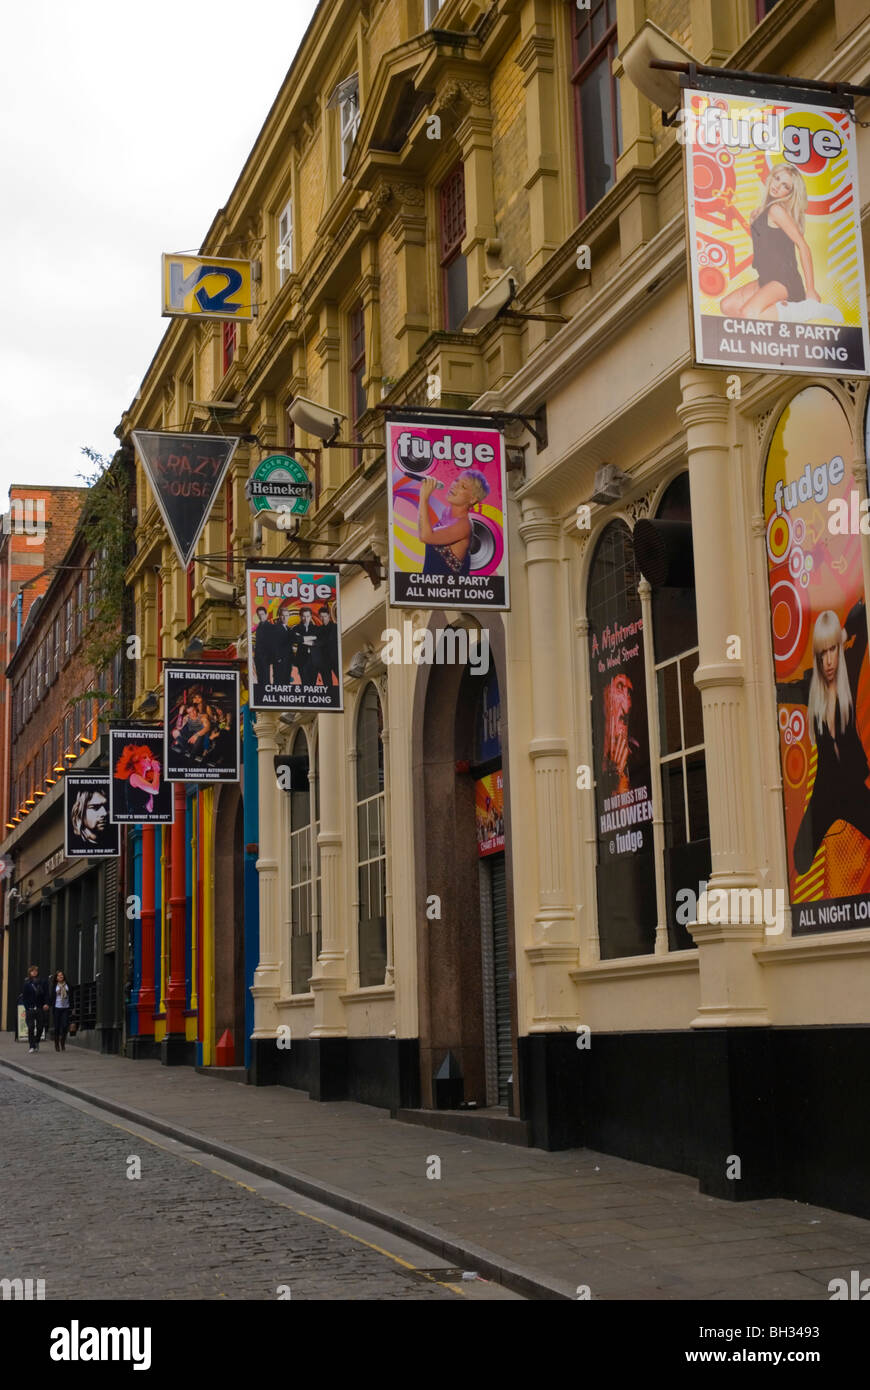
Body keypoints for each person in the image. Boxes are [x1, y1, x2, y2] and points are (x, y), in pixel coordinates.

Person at [777, 600, 870, 876]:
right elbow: (777, 692)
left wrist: (838, 638)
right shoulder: (811, 688)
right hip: (826, 788)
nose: (829, 661)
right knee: (801, 860)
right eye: (822, 653)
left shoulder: (849, 669)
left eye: (833, 651)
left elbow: (862, 614)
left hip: (853, 784)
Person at [719, 164, 842, 324]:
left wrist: (810, 289)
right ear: (771, 178)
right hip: (766, 277)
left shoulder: (776, 210)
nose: (778, 186)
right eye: (777, 179)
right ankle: (781, 311)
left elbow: (803, 247)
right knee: (727, 306)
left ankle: (807, 309)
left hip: (785, 280)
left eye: (785, 186)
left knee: (748, 313)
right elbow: (766, 249)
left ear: (790, 193)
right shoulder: (758, 213)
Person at [417, 470, 490, 580]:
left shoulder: (464, 525)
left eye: (463, 486)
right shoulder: (446, 514)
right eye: (456, 480)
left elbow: (426, 536)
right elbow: (423, 532)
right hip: (428, 590)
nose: (455, 485)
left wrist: (424, 497)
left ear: (472, 499)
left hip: (445, 593)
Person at [601, 672, 639, 798]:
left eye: (628, 693)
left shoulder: (635, 752)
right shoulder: (592, 754)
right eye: (619, 688)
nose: (626, 707)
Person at [114, 743, 161, 816]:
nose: (149, 760)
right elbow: (155, 789)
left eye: (148, 757)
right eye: (145, 757)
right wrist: (156, 770)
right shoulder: (134, 777)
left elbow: (150, 808)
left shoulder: (142, 779)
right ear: (136, 761)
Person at [308, 605, 339, 687]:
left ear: (329, 615)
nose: (323, 618)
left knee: (341, 680)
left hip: (335, 659)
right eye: (321, 617)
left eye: (325, 616)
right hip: (325, 661)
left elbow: (326, 641)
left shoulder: (336, 627)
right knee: (328, 685)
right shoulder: (319, 629)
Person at [22, 966, 49, 1053]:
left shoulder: (43, 982)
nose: (34, 972)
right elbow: (24, 997)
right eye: (32, 971)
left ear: (37, 972)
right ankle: (31, 1046)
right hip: (30, 1009)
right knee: (31, 1027)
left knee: (40, 1027)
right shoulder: (27, 983)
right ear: (29, 973)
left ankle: (37, 1041)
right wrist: (27, 1008)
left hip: (39, 1008)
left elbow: (46, 994)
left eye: (35, 971)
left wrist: (46, 1003)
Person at [292, 607, 320, 686]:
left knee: (313, 684)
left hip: (314, 659)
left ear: (311, 616)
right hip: (302, 659)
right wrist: (313, 638)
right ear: (300, 616)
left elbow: (318, 642)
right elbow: (295, 639)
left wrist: (302, 639)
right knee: (305, 683)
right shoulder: (296, 628)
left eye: (308, 616)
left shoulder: (316, 629)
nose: (306, 618)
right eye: (303, 616)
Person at [253, 606, 276, 689]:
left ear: (266, 615)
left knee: (265, 678)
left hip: (266, 657)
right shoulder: (258, 627)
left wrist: (270, 657)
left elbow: (272, 643)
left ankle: (266, 693)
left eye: (262, 614)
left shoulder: (270, 626)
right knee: (260, 677)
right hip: (258, 656)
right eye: (259, 615)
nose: (260, 616)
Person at [49, 969, 73, 1051]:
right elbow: (51, 997)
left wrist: (67, 992)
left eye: (62, 975)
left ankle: (62, 1041)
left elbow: (71, 996)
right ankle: (56, 1044)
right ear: (56, 978)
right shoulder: (55, 986)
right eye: (59, 976)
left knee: (65, 1025)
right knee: (57, 1027)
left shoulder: (67, 985)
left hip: (65, 1008)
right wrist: (57, 993)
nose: (61, 976)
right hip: (57, 1008)